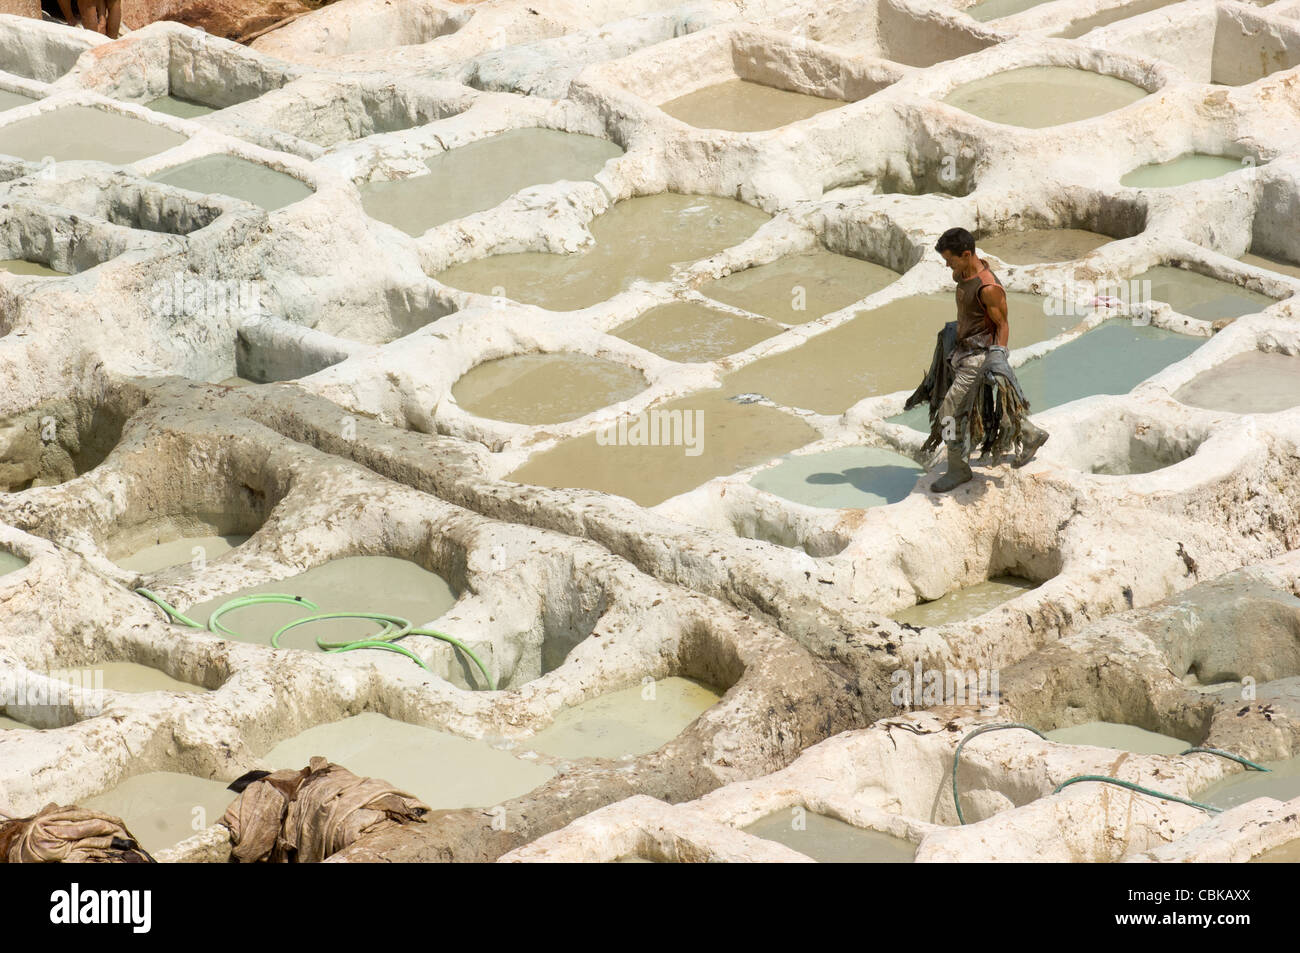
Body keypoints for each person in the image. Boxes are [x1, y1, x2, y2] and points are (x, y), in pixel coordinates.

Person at [927, 226, 1049, 492]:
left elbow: (1003, 325)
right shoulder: (962, 271)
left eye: (950, 259)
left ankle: (958, 470)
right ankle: (1030, 434)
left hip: (978, 357)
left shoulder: (989, 288)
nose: (947, 265)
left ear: (967, 253)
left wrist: (998, 356)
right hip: (963, 349)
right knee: (975, 407)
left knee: (949, 411)